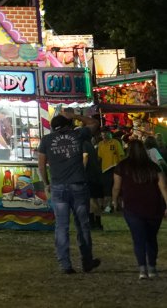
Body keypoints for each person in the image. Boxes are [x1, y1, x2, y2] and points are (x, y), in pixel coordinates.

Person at [40, 114, 98, 272]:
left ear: (53, 127)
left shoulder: (46, 140)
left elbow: (41, 164)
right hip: (78, 185)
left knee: (61, 226)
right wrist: (74, 115)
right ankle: (87, 261)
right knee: (82, 225)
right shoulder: (77, 134)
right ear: (68, 124)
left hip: (58, 187)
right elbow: (94, 123)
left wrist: (46, 183)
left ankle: (65, 263)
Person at [111, 138, 166, 279]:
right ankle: (152, 268)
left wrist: (114, 201)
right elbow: (163, 188)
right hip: (154, 207)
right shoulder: (153, 167)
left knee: (138, 238)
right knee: (151, 238)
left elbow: (116, 187)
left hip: (132, 207)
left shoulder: (122, 166)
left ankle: (142, 269)